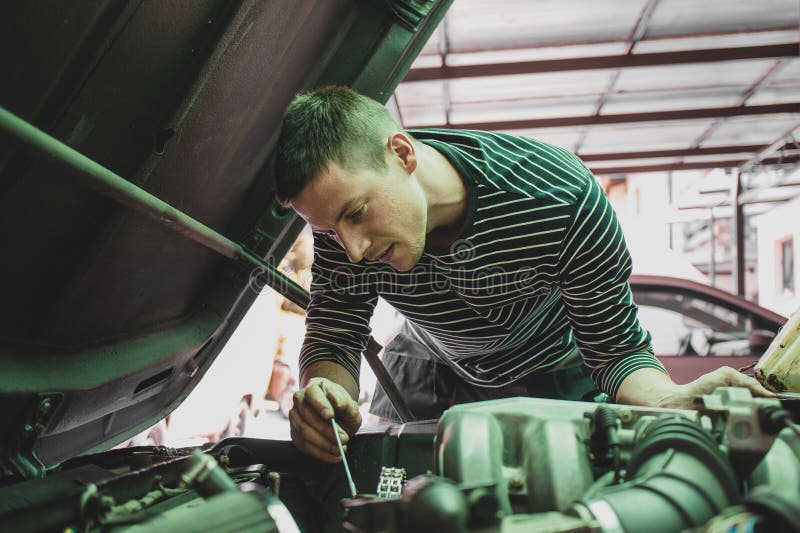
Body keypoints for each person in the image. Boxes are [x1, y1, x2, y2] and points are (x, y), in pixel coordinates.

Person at [273, 86, 774, 463]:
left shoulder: (559, 196)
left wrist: (669, 399)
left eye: (357, 214)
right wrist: (324, 393)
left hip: (554, 371)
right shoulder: (341, 222)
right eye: (330, 230)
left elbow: (616, 350)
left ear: (402, 153)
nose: (353, 251)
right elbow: (335, 331)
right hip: (432, 371)